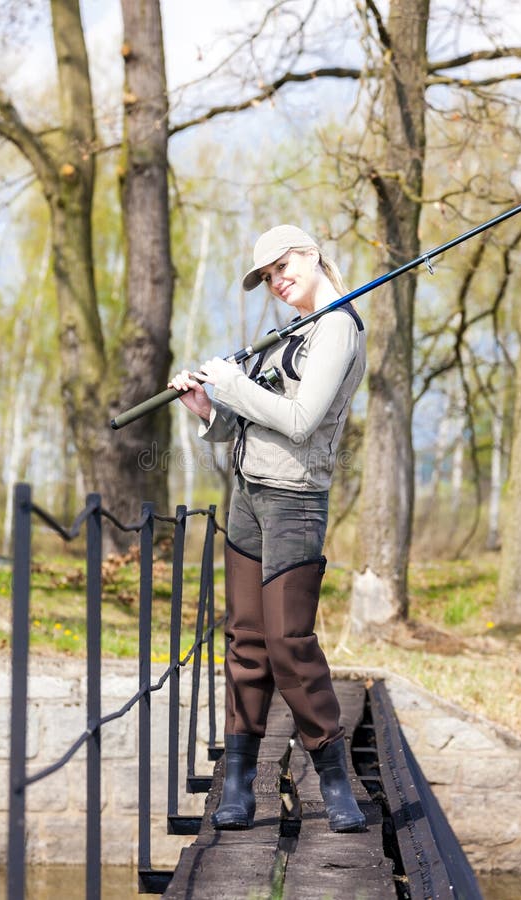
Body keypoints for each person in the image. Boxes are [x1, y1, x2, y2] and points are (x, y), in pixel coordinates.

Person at [168, 224, 367, 833]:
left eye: (285, 267)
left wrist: (232, 384)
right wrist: (211, 411)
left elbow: (303, 421)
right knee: (246, 639)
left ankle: (334, 782)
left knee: (288, 642)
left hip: (296, 500)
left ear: (311, 255)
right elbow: (255, 425)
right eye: (269, 277)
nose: (279, 283)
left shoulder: (337, 325)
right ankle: (237, 782)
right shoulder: (290, 331)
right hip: (247, 497)